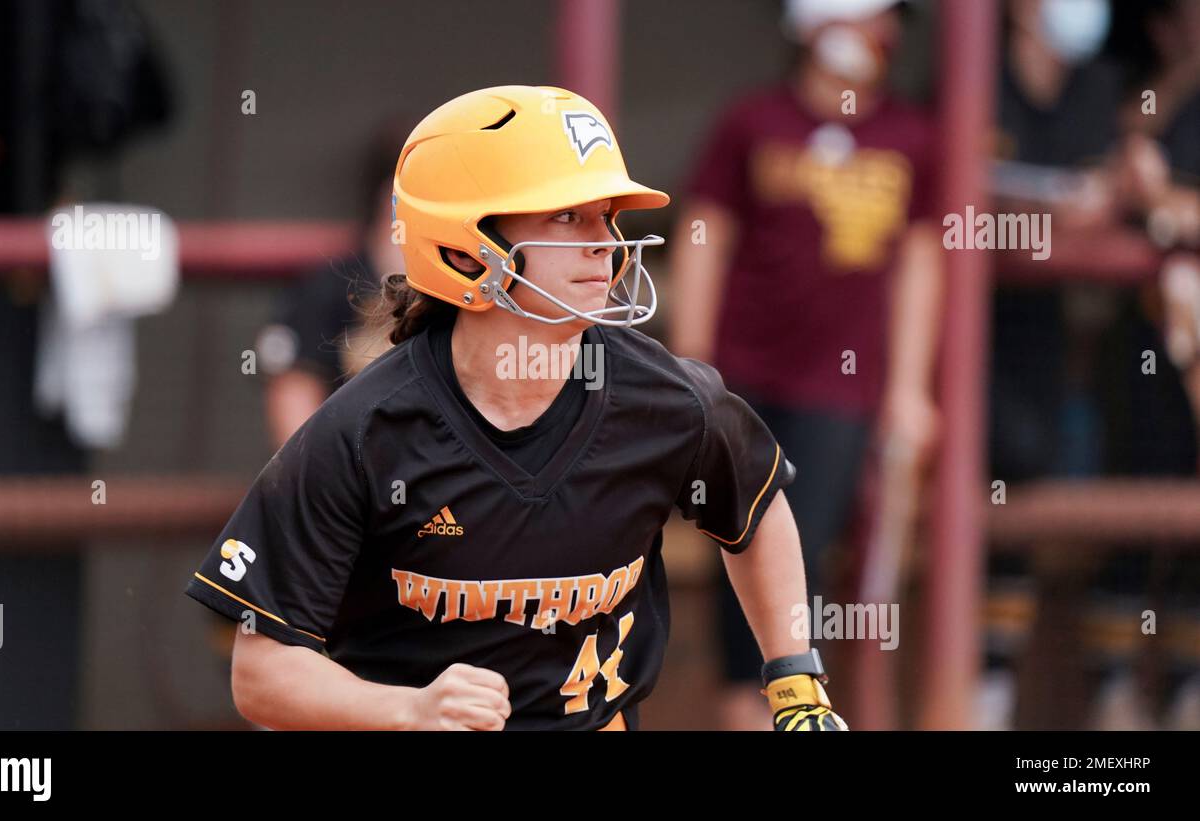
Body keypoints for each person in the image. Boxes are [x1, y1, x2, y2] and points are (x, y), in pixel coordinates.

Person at [184, 85, 847, 731]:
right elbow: (261, 671)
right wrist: (409, 711)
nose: (606, 243)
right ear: (465, 246)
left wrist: (794, 683)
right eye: (567, 215)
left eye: (607, 215)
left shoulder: (668, 399)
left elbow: (758, 508)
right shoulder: (363, 431)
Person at [670, 0, 942, 729]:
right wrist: (693, 364)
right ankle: (744, 705)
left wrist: (912, 387)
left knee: (806, 543)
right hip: (744, 375)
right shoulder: (752, 121)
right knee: (738, 532)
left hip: (842, 387)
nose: (883, 34)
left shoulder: (911, 134)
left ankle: (796, 704)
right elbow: (706, 234)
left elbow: (921, 264)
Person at [256, 121, 409, 449]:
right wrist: (320, 486)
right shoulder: (328, 288)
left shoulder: (476, 289)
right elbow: (293, 394)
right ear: (387, 197)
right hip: (352, 478)